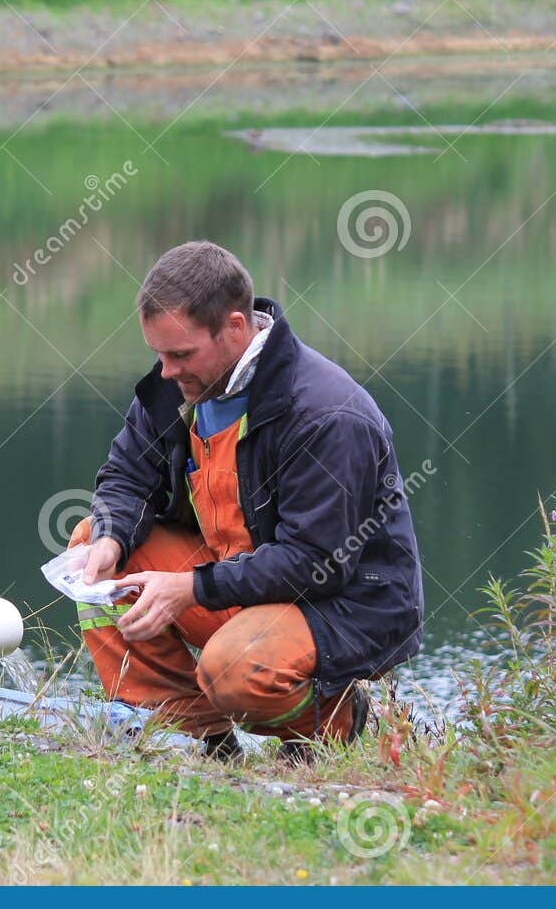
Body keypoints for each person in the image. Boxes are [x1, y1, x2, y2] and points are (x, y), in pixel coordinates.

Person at [67, 241, 423, 761]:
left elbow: (312, 562)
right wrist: (111, 533)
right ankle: (201, 740)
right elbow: (125, 475)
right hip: (241, 579)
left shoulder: (327, 414)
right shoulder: (181, 384)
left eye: (180, 354)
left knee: (232, 669)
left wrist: (188, 588)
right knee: (92, 551)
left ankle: (337, 725)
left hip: (341, 603)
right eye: (159, 354)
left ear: (235, 328)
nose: (166, 371)